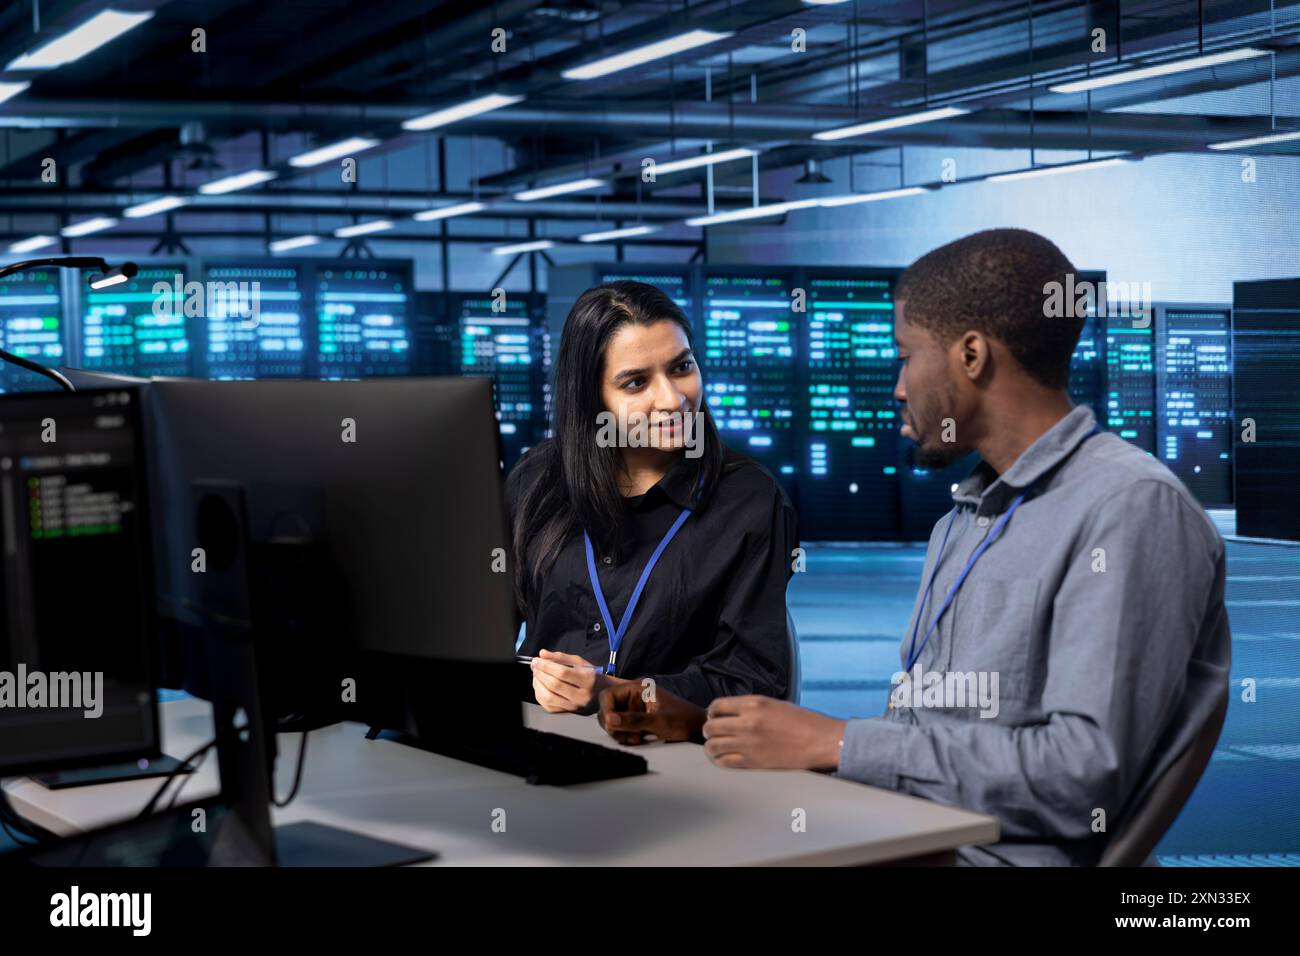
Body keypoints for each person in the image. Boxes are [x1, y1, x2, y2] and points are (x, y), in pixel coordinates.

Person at [598, 229, 1231, 866]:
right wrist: (709, 727)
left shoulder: (1129, 508)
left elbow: (1082, 778)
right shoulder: (961, 523)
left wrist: (840, 744)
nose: (899, 387)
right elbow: (917, 747)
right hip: (907, 834)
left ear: (972, 355)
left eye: (908, 356)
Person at [507, 280, 798, 714]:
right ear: (592, 399)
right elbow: (475, 634)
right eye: (636, 382)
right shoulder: (536, 478)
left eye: (682, 367)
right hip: (539, 735)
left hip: (673, 753)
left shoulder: (748, 501)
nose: (672, 398)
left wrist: (615, 693)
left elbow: (752, 681)